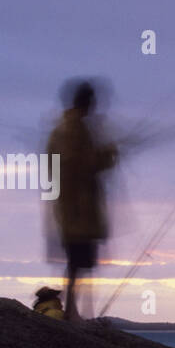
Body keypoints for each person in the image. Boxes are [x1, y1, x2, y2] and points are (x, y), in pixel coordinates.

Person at [45, 79, 118, 321]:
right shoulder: (73, 131)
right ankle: (75, 312)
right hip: (79, 210)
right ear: (86, 102)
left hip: (70, 208)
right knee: (79, 262)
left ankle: (77, 311)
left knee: (79, 262)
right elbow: (84, 164)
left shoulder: (62, 129)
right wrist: (109, 154)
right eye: (93, 102)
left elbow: (59, 169)